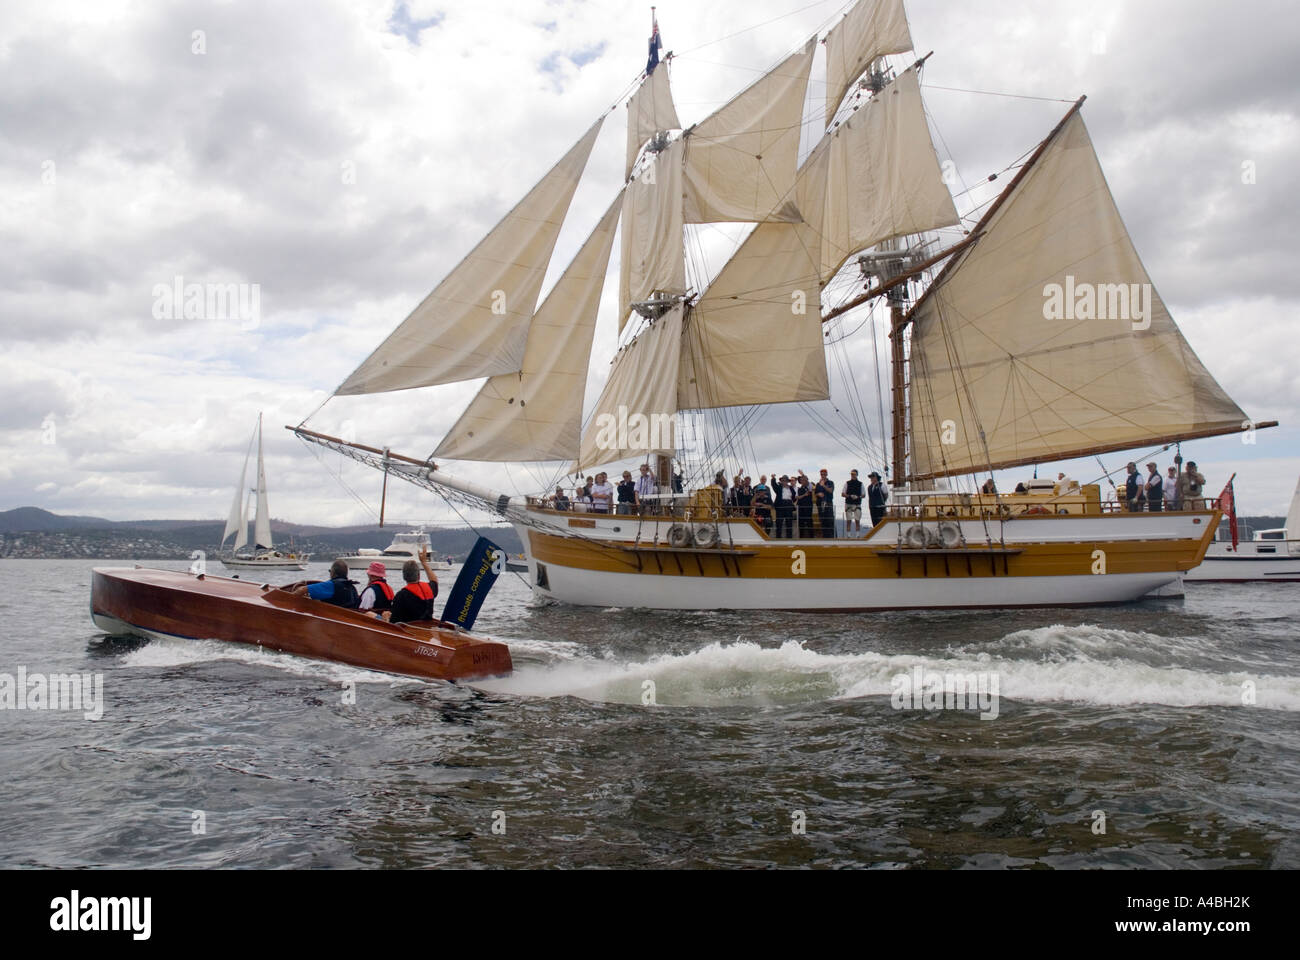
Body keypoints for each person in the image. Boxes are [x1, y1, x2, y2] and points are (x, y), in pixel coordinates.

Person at [388, 549, 439, 624]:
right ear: (419, 575)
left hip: (409, 629)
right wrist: (424, 562)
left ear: (404, 577)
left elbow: (394, 621)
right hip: (427, 628)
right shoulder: (430, 588)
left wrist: (386, 618)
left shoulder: (401, 595)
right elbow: (434, 579)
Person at [294, 559, 359, 608]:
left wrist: (290, 597)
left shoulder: (331, 585)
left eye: (330, 571)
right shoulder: (352, 588)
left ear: (333, 572)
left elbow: (302, 590)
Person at [843, 468, 865, 535]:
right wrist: (850, 496)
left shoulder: (860, 484)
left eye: (854, 474)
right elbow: (843, 493)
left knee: (857, 520)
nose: (853, 475)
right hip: (848, 503)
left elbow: (864, 495)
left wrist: (858, 497)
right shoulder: (847, 483)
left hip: (857, 503)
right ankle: (848, 535)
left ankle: (857, 535)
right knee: (848, 520)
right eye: (852, 474)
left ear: (857, 475)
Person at [815, 468, 835, 538]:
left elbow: (830, 491)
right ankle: (825, 538)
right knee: (822, 522)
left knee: (830, 521)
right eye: (821, 474)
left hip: (828, 504)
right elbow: (815, 493)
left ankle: (831, 538)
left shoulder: (831, 482)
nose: (822, 475)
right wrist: (818, 494)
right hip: (820, 505)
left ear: (826, 474)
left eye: (824, 474)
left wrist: (823, 485)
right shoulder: (818, 484)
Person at [795, 472, 814, 538]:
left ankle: (812, 537)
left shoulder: (810, 486)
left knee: (809, 522)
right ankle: (801, 537)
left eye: (803, 480)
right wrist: (804, 495)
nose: (802, 481)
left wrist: (803, 474)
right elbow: (797, 497)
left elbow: (808, 482)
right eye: (801, 480)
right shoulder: (798, 489)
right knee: (801, 523)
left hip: (808, 507)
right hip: (801, 507)